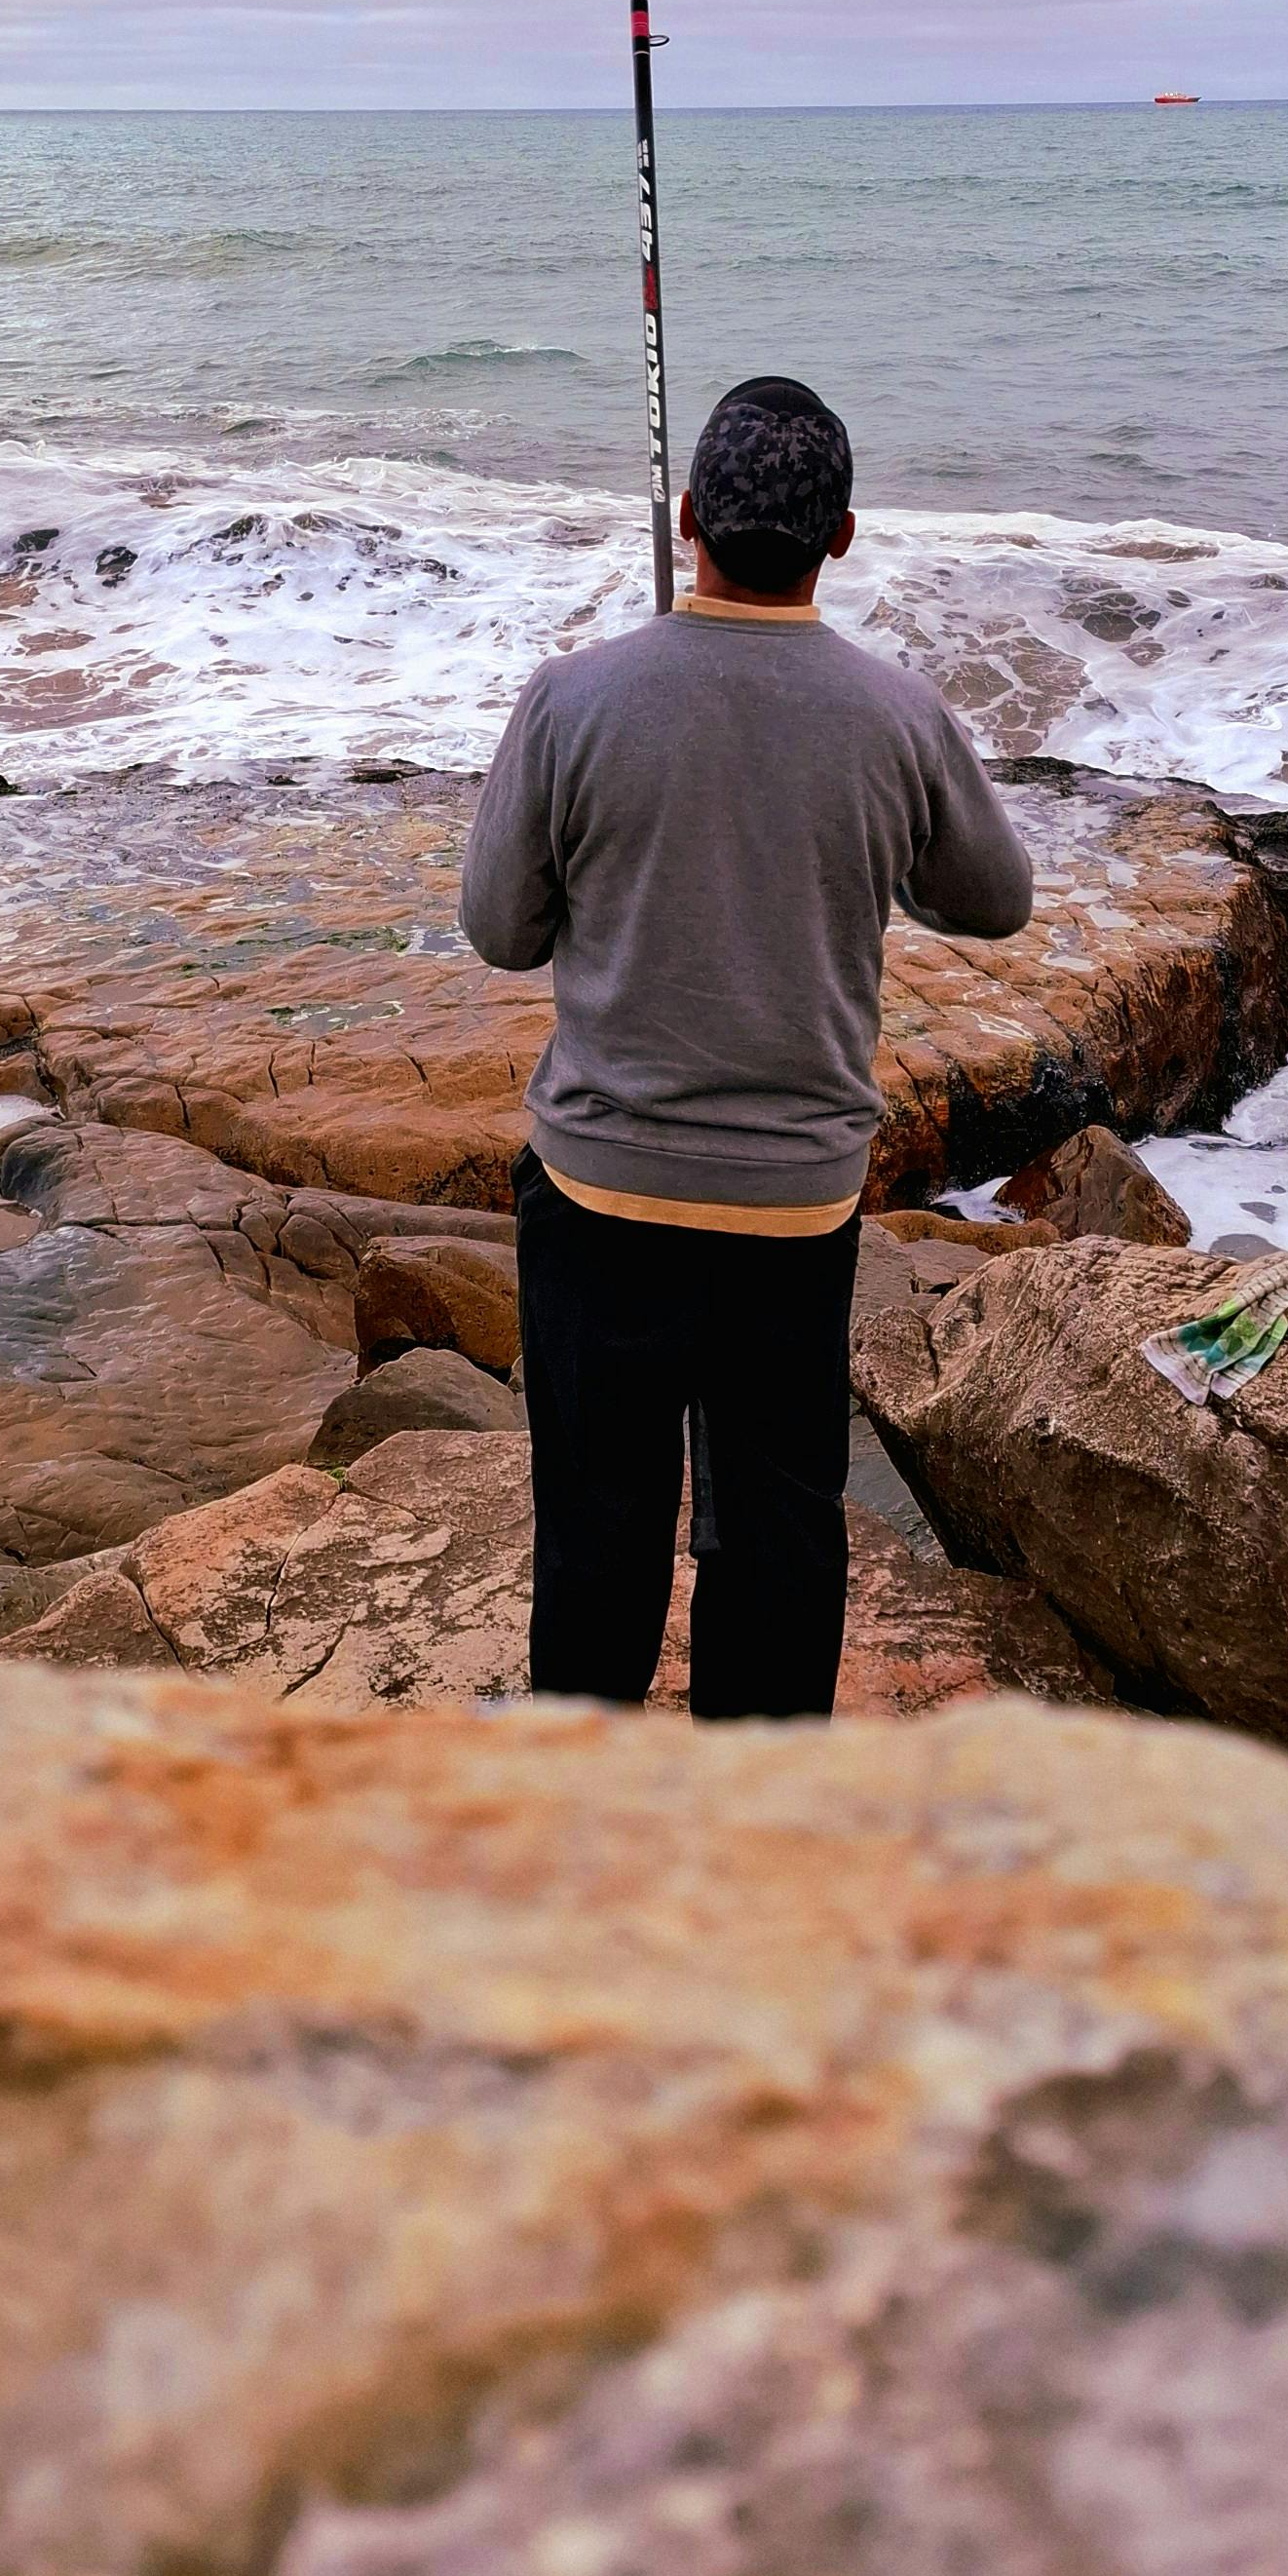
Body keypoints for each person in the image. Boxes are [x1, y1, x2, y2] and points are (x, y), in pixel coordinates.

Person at [459, 373, 1034, 1718]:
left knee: (597, 1520)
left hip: (600, 1198)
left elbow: (499, 929)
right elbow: (993, 898)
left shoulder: (572, 697)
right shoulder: (896, 716)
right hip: (794, 1207)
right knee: (781, 1526)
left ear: (688, 516)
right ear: (841, 536)